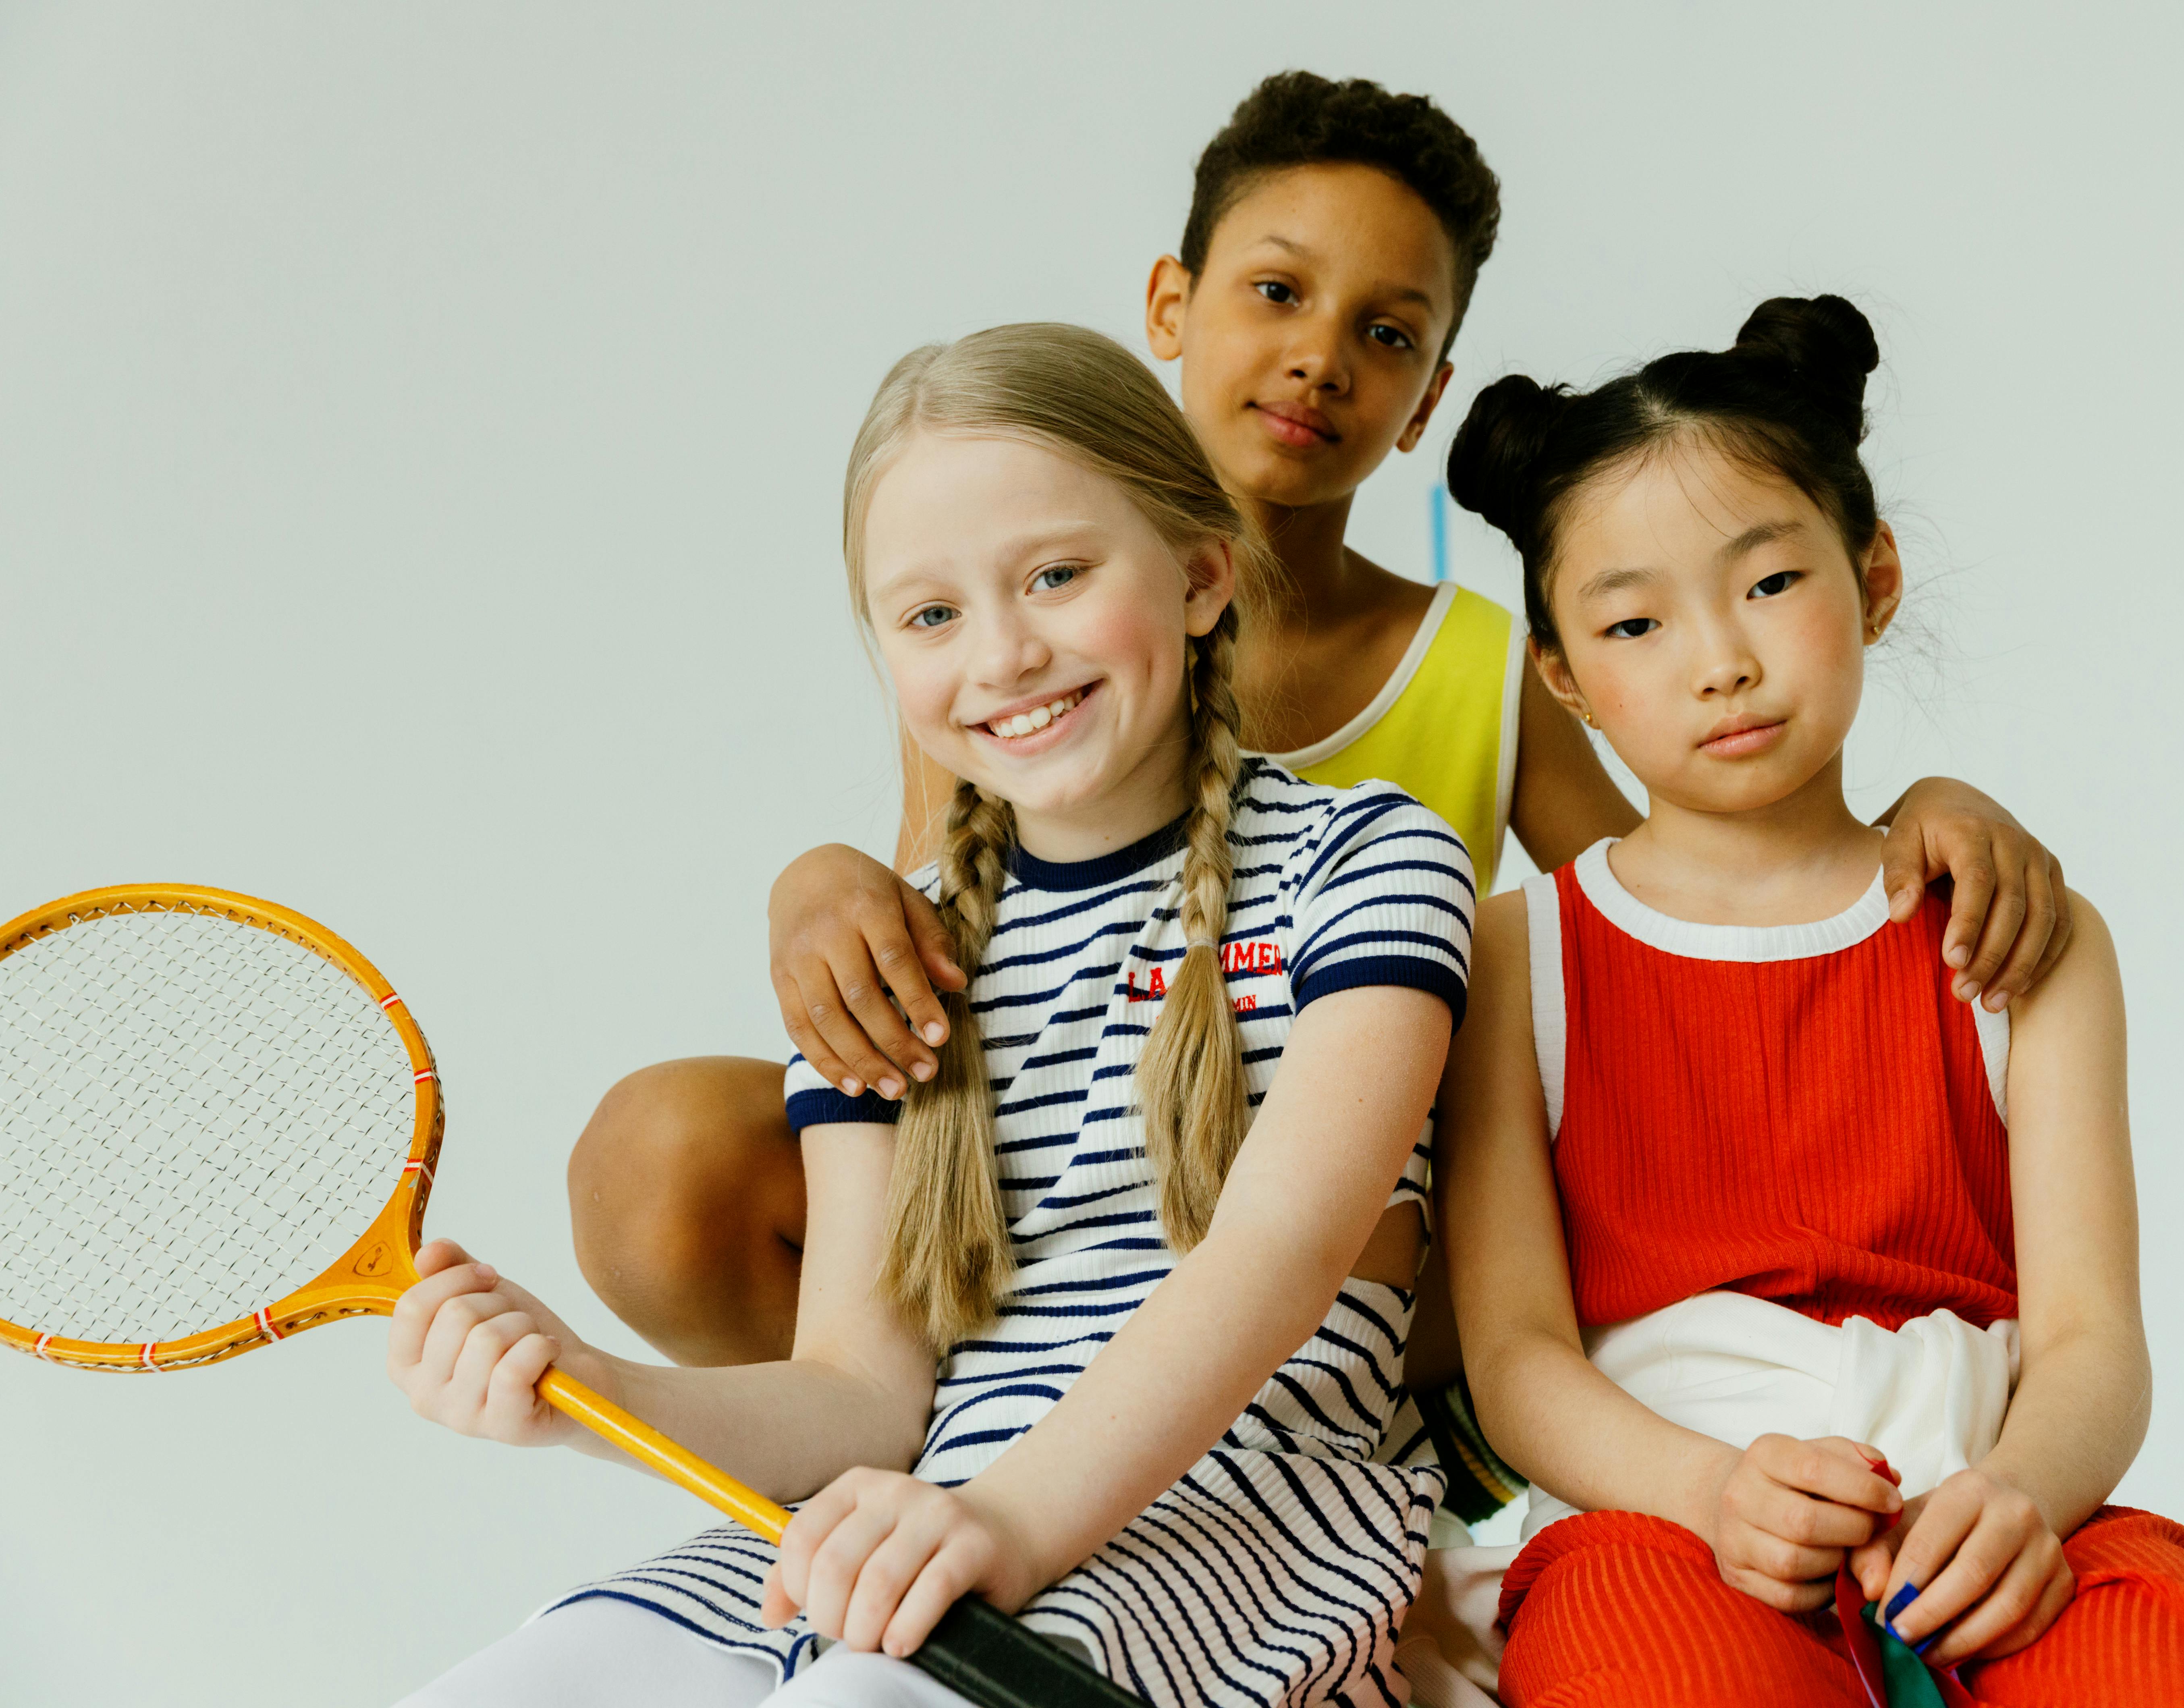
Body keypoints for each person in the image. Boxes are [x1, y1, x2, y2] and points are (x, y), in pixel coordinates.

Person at [567, 77, 2074, 1531]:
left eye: (1387, 332)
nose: (1319, 360)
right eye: (1278, 294)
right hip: (1081, 1196)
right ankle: (942, 1454)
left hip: (1372, 1246)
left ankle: (1369, 1494)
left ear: (1428, 401)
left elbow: (1685, 910)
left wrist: (1917, 810)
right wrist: (820, 875)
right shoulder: (1020, 636)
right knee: (664, 1157)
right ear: (1171, 306)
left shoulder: (1476, 667)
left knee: (1363, 1190)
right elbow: (971, 975)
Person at [387, 322, 1478, 1708]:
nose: (1005, 654)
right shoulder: (897, 954)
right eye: (931, 616)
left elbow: (1281, 1253)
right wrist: (584, 1392)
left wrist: (1009, 1522)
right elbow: (860, 1394)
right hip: (915, 1510)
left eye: (1057, 576)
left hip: (1241, 1525)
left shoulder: (1368, 862)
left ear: (1203, 576)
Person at [1434, 297, 2184, 1705]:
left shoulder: (2022, 936)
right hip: (1668, 1514)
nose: (1719, 660)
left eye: (1770, 583)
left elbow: (2092, 1337)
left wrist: (2021, 1496)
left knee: (2181, 1666)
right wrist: (1711, 1492)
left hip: (1996, 1494)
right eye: (1635, 622)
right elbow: (1519, 1356)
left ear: (1876, 577)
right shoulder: (1516, 960)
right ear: (1564, 676)